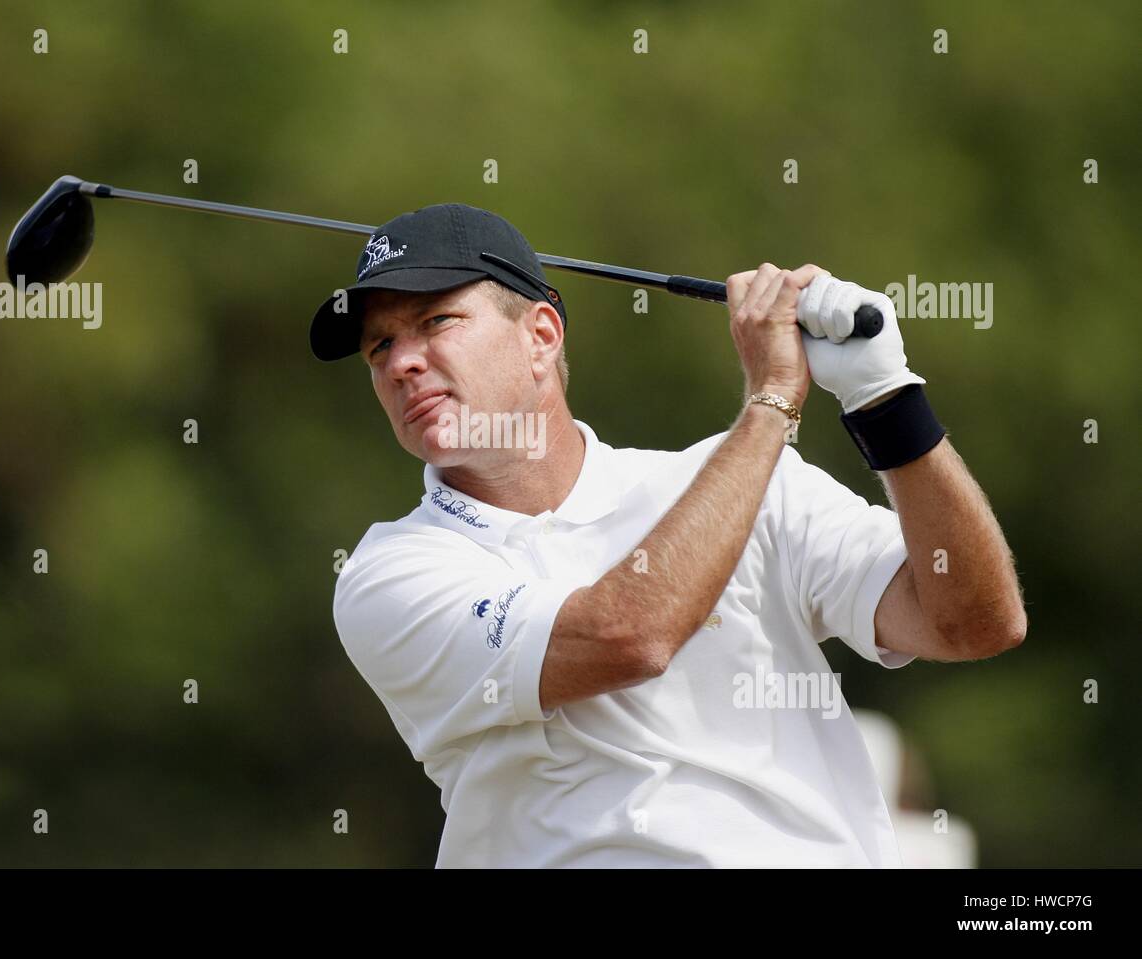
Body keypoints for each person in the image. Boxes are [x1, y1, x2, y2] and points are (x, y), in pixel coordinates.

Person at [309, 202, 1026, 867]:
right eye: (379, 348)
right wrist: (771, 403)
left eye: (436, 323)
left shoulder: (756, 484)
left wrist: (888, 401)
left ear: (541, 335)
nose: (401, 362)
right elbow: (629, 635)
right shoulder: (390, 572)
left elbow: (973, 621)